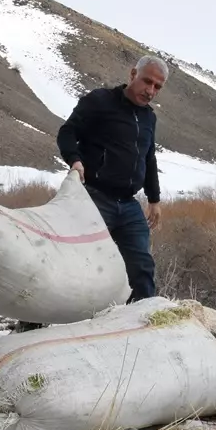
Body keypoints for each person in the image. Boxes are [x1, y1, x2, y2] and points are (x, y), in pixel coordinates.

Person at [56, 55, 167, 301]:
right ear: (132, 74)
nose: (150, 91)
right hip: (94, 197)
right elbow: (67, 131)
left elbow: (148, 158)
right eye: (146, 81)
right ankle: (33, 322)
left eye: (157, 87)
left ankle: (141, 326)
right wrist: (75, 160)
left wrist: (154, 199)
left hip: (128, 204)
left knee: (141, 266)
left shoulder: (149, 117)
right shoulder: (100, 101)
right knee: (76, 262)